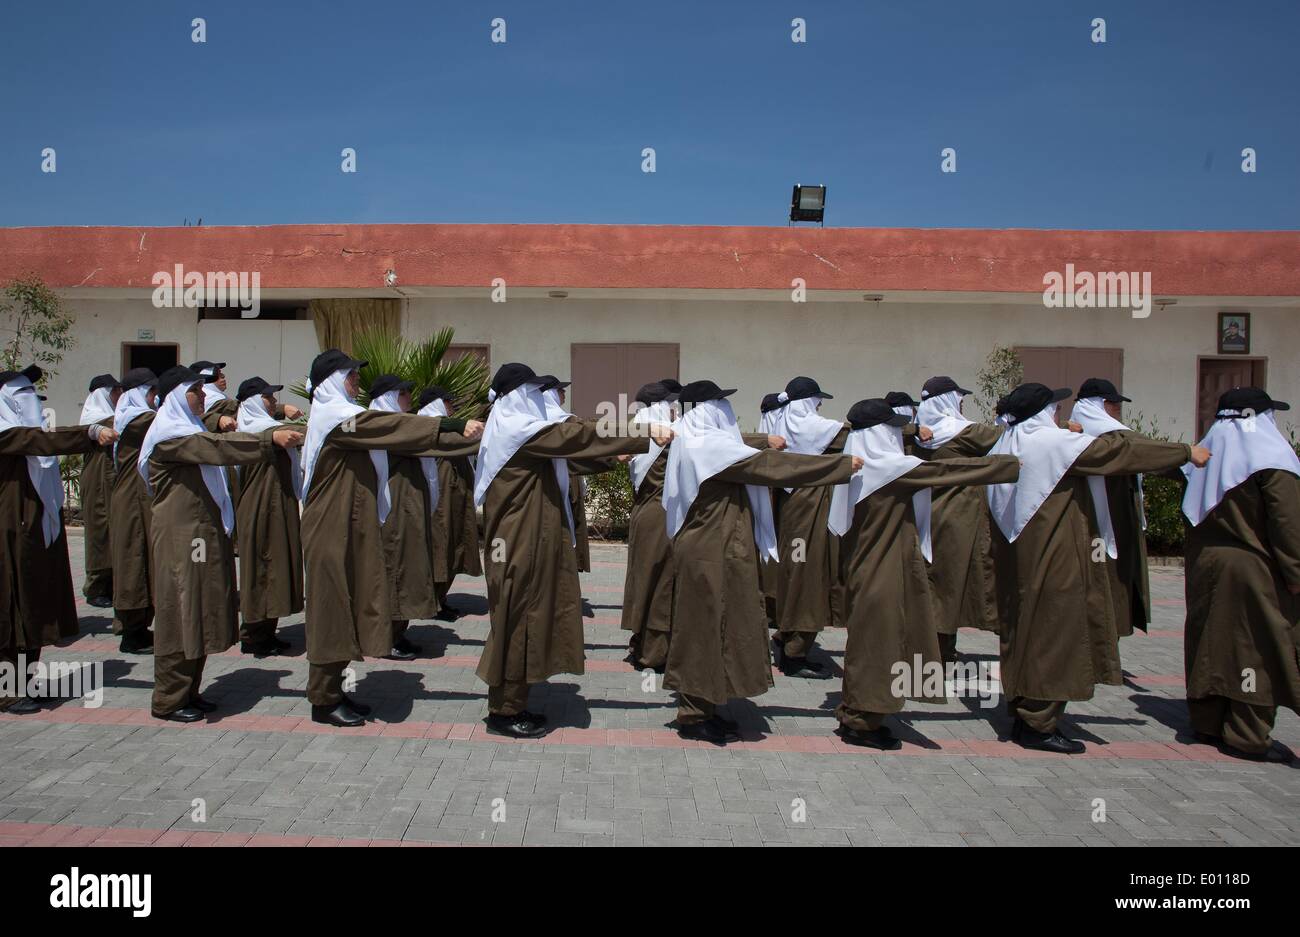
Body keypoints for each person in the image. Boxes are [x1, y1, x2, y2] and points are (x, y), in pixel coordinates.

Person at [988, 383, 1208, 754]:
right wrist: (1185, 452)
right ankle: (1039, 724)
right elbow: (1118, 452)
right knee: (1055, 635)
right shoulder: (1051, 444)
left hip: (1020, 563)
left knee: (1025, 633)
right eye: (1053, 408)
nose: (1059, 414)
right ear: (1041, 412)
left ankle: (1025, 711)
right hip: (1054, 561)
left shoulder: (1009, 443)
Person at [662, 380, 859, 744]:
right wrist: (839, 467)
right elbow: (771, 466)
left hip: (714, 546)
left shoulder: (698, 438)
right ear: (708, 408)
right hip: (711, 549)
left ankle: (706, 703)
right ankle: (693, 714)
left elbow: (751, 447)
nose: (727, 411)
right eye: (721, 403)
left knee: (717, 624)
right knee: (704, 627)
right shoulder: (709, 445)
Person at [474, 363, 665, 739]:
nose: (541, 401)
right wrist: (640, 431)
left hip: (526, 542)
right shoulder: (519, 429)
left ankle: (516, 698)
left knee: (527, 618)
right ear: (517, 397)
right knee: (517, 620)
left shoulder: (521, 432)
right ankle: (505, 709)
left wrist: (615, 454)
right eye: (533, 394)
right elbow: (575, 435)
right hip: (519, 545)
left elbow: (570, 452)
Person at [299, 350, 482, 726]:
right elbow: (387, 426)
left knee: (346, 604)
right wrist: (449, 425)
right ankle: (323, 699)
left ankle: (334, 691)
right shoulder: (338, 417)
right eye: (350, 376)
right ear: (332, 380)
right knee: (331, 609)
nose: (355, 383)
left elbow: (394, 429)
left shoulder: (349, 416)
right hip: (331, 525)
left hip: (347, 523)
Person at [828, 398, 1018, 748]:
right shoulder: (891, 469)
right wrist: (1008, 466)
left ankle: (860, 714)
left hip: (867, 572)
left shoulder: (858, 467)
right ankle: (860, 722)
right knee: (877, 646)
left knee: (871, 643)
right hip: (881, 575)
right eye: (892, 428)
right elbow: (948, 472)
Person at [140, 366, 303, 721]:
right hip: (182, 540)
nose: (202, 394)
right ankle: (169, 698)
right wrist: (267, 440)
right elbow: (216, 447)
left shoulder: (188, 429)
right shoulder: (172, 436)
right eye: (195, 389)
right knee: (180, 614)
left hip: (200, 536)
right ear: (175, 398)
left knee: (197, 610)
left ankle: (188, 691)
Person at [1181, 387, 1298, 763]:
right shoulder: (1271, 459)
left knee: (1209, 643)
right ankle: (1247, 733)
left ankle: (1208, 721)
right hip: (1253, 567)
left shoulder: (1206, 453)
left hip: (1206, 562)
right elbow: (1288, 527)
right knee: (1254, 649)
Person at [0, 366, 116, 713]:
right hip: (8, 535)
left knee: (32, 608)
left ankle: (25, 682)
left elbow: (42, 439)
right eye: (23, 396)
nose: (32, 402)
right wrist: (90, 433)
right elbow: (42, 439)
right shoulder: (7, 434)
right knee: (10, 609)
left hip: (33, 532)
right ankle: (7, 691)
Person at [914, 376, 1005, 662]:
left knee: (936, 583)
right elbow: (1010, 438)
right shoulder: (964, 432)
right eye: (959, 399)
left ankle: (937, 647)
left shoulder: (918, 434)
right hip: (959, 517)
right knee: (950, 586)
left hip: (928, 514)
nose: (962, 403)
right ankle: (939, 652)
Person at [768, 377, 849, 678]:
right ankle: (795, 653)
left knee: (794, 572)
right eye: (817, 400)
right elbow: (853, 435)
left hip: (792, 511)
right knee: (807, 574)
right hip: (808, 511)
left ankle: (788, 635)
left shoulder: (783, 423)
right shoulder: (810, 426)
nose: (819, 406)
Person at [1068, 378, 1153, 638]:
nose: (1118, 410)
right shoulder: (1109, 436)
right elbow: (1146, 452)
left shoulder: (1089, 431)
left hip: (1105, 521)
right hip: (1103, 523)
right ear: (1102, 405)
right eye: (1115, 405)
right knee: (1103, 582)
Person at [369, 374, 438, 660]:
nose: (409, 398)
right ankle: (386, 639)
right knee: (394, 569)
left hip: (408, 504)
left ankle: (399, 632)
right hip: (394, 506)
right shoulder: (384, 423)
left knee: (407, 567)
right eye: (403, 393)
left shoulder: (400, 423)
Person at [234, 377, 303, 657]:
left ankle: (266, 630)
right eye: (267, 397)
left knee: (273, 568)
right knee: (261, 570)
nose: (273, 402)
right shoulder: (253, 430)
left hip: (277, 506)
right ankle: (253, 634)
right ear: (252, 401)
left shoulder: (268, 428)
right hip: (260, 508)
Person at [620, 381, 678, 670]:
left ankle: (640, 644)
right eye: (671, 404)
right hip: (661, 516)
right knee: (661, 584)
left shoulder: (638, 432)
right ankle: (653, 654)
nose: (675, 409)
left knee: (644, 580)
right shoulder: (664, 438)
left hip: (644, 513)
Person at [414, 386, 482, 623]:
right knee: (440, 548)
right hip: (440, 500)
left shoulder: (444, 426)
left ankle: (440, 599)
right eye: (448, 401)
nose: (452, 406)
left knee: (454, 546)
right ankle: (432, 601)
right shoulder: (427, 427)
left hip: (455, 496)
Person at [108, 368, 160, 654]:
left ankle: (139, 627)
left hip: (138, 497)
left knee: (141, 559)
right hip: (131, 500)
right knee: (133, 561)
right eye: (152, 392)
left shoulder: (138, 417)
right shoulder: (138, 419)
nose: (156, 398)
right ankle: (132, 632)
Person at [78, 373, 122, 607]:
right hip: (96, 481)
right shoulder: (93, 420)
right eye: (114, 392)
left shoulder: (113, 419)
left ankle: (111, 584)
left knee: (112, 529)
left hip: (109, 479)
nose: (118, 396)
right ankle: (95, 587)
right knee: (99, 532)